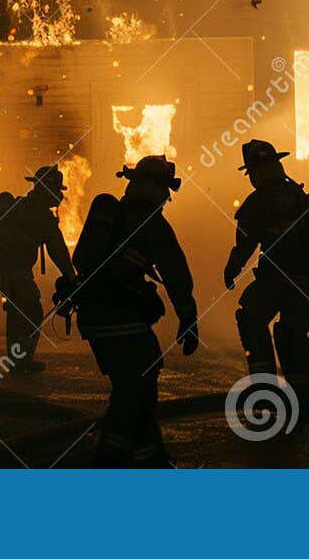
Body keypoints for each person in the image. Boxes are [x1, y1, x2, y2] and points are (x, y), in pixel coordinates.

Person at [71, 155, 197, 467]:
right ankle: (108, 460)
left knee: (137, 384)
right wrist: (188, 318)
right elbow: (177, 275)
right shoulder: (153, 224)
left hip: (93, 315)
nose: (167, 198)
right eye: (166, 190)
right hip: (121, 319)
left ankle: (148, 457)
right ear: (157, 188)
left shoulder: (114, 213)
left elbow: (84, 263)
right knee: (134, 387)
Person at [224, 138, 309, 407]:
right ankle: (303, 396)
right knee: (291, 330)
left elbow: (245, 242)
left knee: (250, 318)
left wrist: (233, 267)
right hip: (305, 281)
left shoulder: (257, 202)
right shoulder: (299, 195)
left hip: (275, 280)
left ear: (255, 171)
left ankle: (265, 390)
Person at [0, 165, 76, 372]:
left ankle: (16, 358)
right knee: (32, 311)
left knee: (18, 312)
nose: (59, 195)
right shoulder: (41, 217)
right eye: (57, 190)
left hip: (3, 269)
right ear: (47, 190)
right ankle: (21, 360)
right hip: (15, 270)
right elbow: (58, 250)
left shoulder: (20, 207)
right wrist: (71, 275)